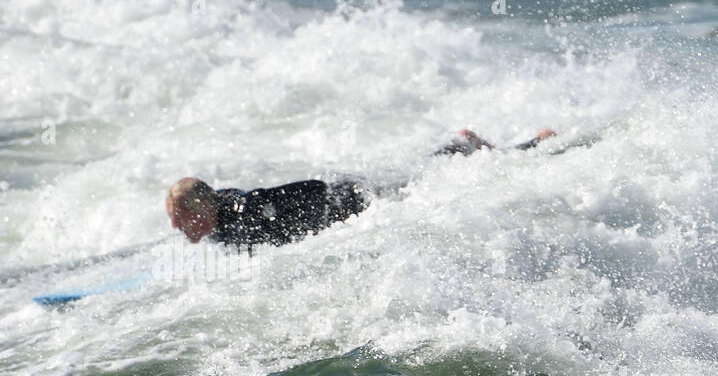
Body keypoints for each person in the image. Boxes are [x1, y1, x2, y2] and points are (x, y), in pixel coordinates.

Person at [165, 128, 556, 249]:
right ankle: (460, 144)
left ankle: (530, 145)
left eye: (179, 218)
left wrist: (343, 200)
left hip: (353, 202)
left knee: (424, 180)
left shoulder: (245, 211)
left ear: (201, 208)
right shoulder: (221, 216)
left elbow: (299, 192)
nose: (176, 228)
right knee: (420, 175)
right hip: (347, 198)